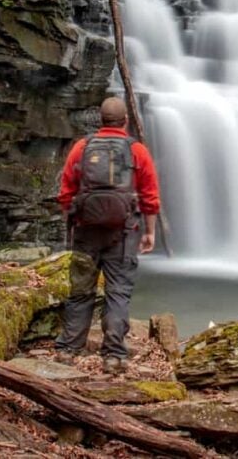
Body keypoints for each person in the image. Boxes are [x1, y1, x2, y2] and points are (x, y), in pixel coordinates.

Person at [55, 96, 160, 374]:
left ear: (100, 120)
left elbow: (66, 191)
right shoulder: (137, 151)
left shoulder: (82, 148)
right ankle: (113, 355)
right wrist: (150, 232)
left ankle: (68, 350)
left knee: (81, 291)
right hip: (124, 234)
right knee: (118, 292)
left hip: (86, 232)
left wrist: (74, 220)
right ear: (125, 121)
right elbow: (150, 197)